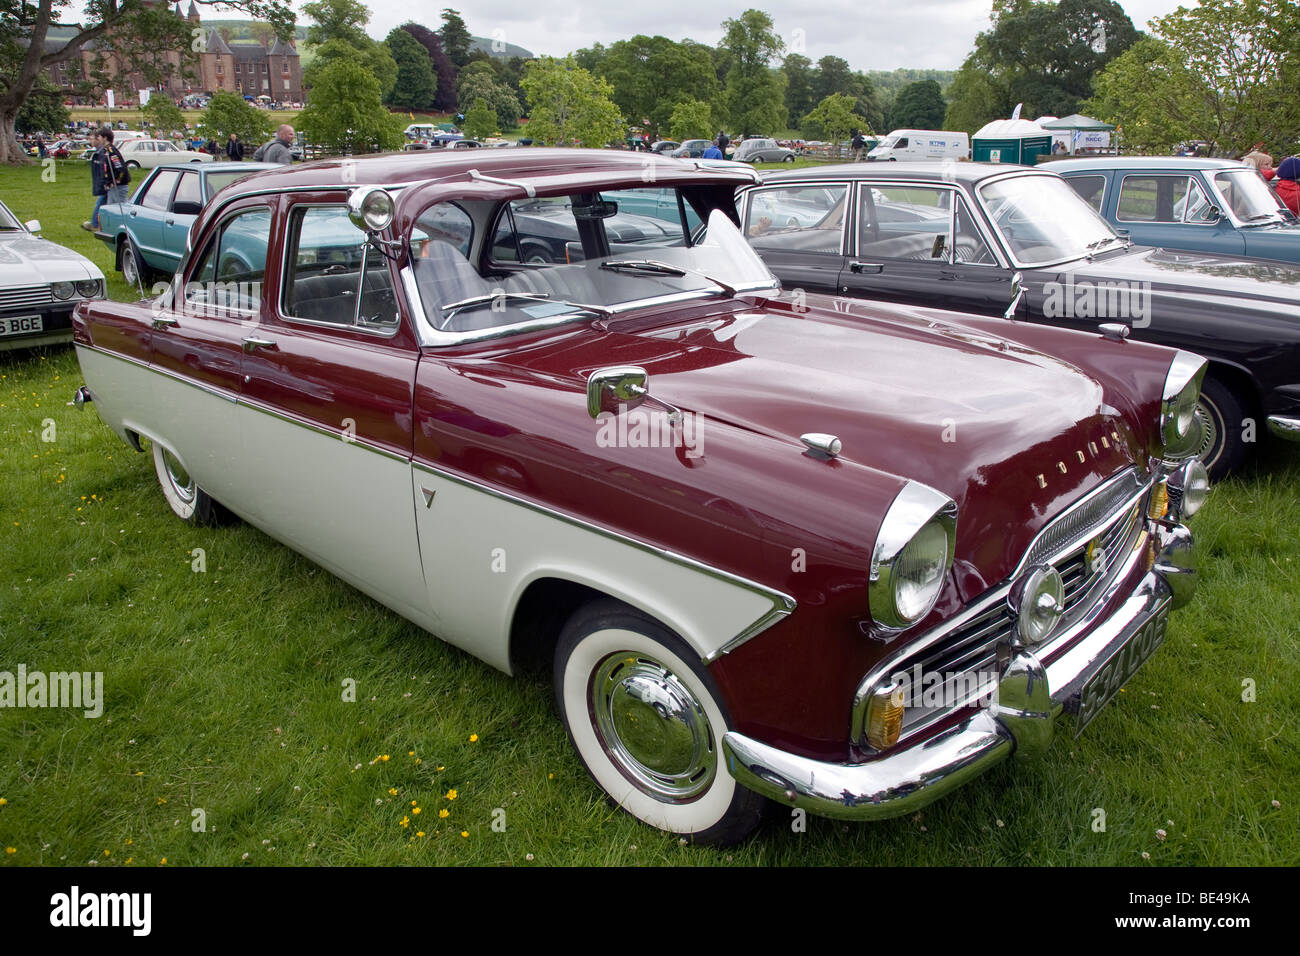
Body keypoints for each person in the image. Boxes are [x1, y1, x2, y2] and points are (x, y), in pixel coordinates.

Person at [82, 127, 130, 232]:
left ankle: (124, 228)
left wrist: (114, 182)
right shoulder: (106, 151)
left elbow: (120, 169)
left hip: (119, 186)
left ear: (105, 138)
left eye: (99, 136)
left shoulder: (111, 151)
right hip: (112, 186)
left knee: (119, 209)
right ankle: (105, 227)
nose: (98, 138)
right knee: (110, 208)